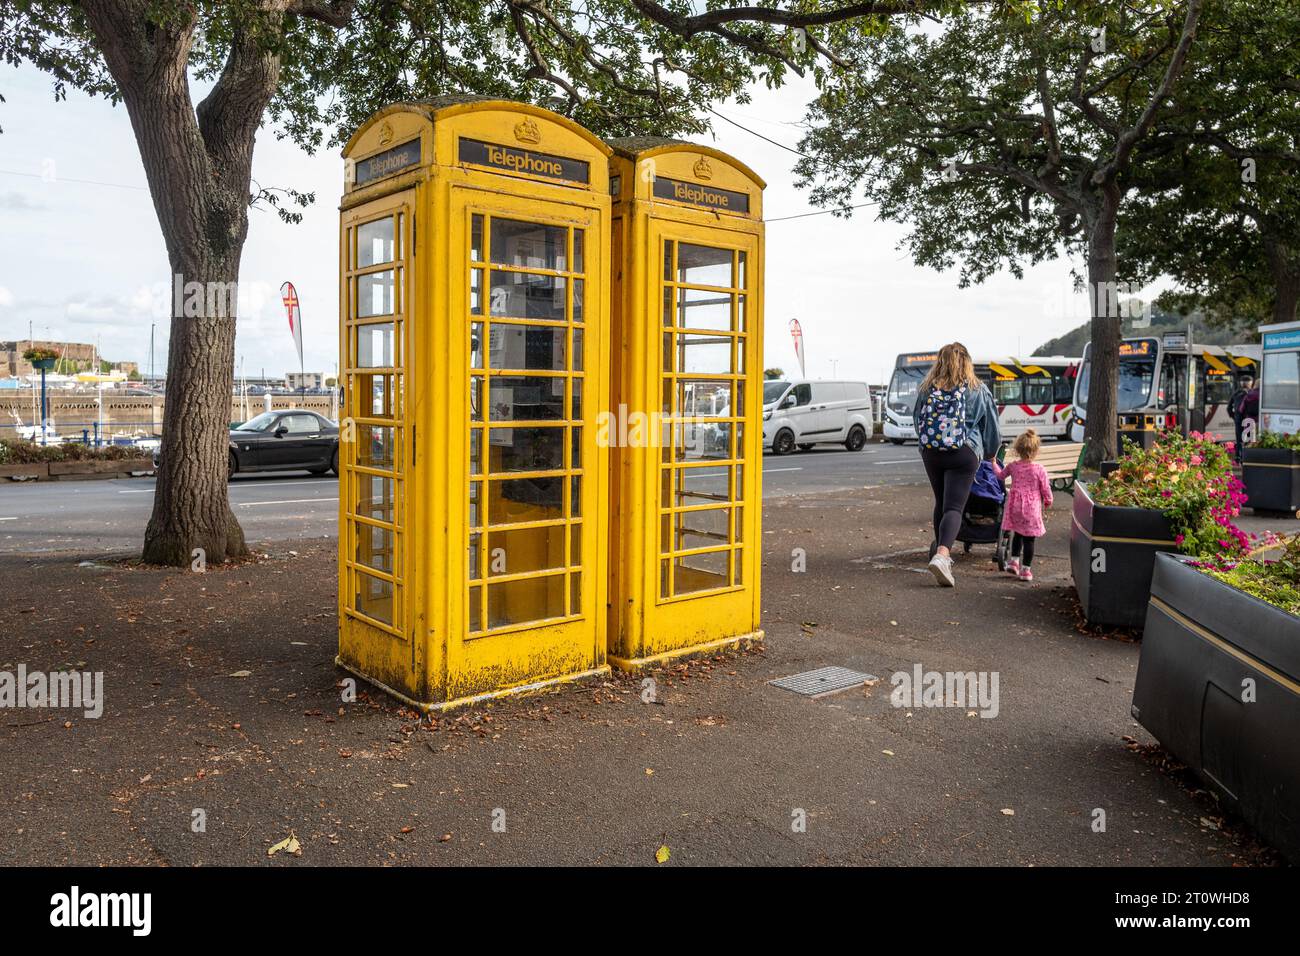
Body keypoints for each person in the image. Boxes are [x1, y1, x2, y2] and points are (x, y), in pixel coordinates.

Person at [913, 342, 1001, 587]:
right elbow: (991, 427)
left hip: (931, 452)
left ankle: (939, 552)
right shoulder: (978, 389)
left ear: (939, 362)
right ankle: (943, 555)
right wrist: (992, 454)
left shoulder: (927, 388)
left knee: (941, 503)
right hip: (964, 452)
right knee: (954, 507)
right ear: (967, 363)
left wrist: (927, 445)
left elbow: (917, 419)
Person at [991, 428, 1053, 582]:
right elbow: (1045, 488)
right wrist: (1048, 500)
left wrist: (993, 463)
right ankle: (1026, 570)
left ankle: (1014, 562)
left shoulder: (1013, 466)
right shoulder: (1039, 469)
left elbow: (1000, 475)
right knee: (1029, 539)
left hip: (1015, 506)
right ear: (1036, 450)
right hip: (1031, 508)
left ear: (1018, 449)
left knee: (1017, 533)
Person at [1229, 375, 1254, 461]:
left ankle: (1238, 456)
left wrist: (1234, 416)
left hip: (1238, 419)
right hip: (1249, 419)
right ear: (1251, 383)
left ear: (1241, 383)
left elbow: (1228, 408)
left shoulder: (1236, 393)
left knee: (1239, 438)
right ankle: (1246, 457)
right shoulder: (1252, 393)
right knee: (1248, 438)